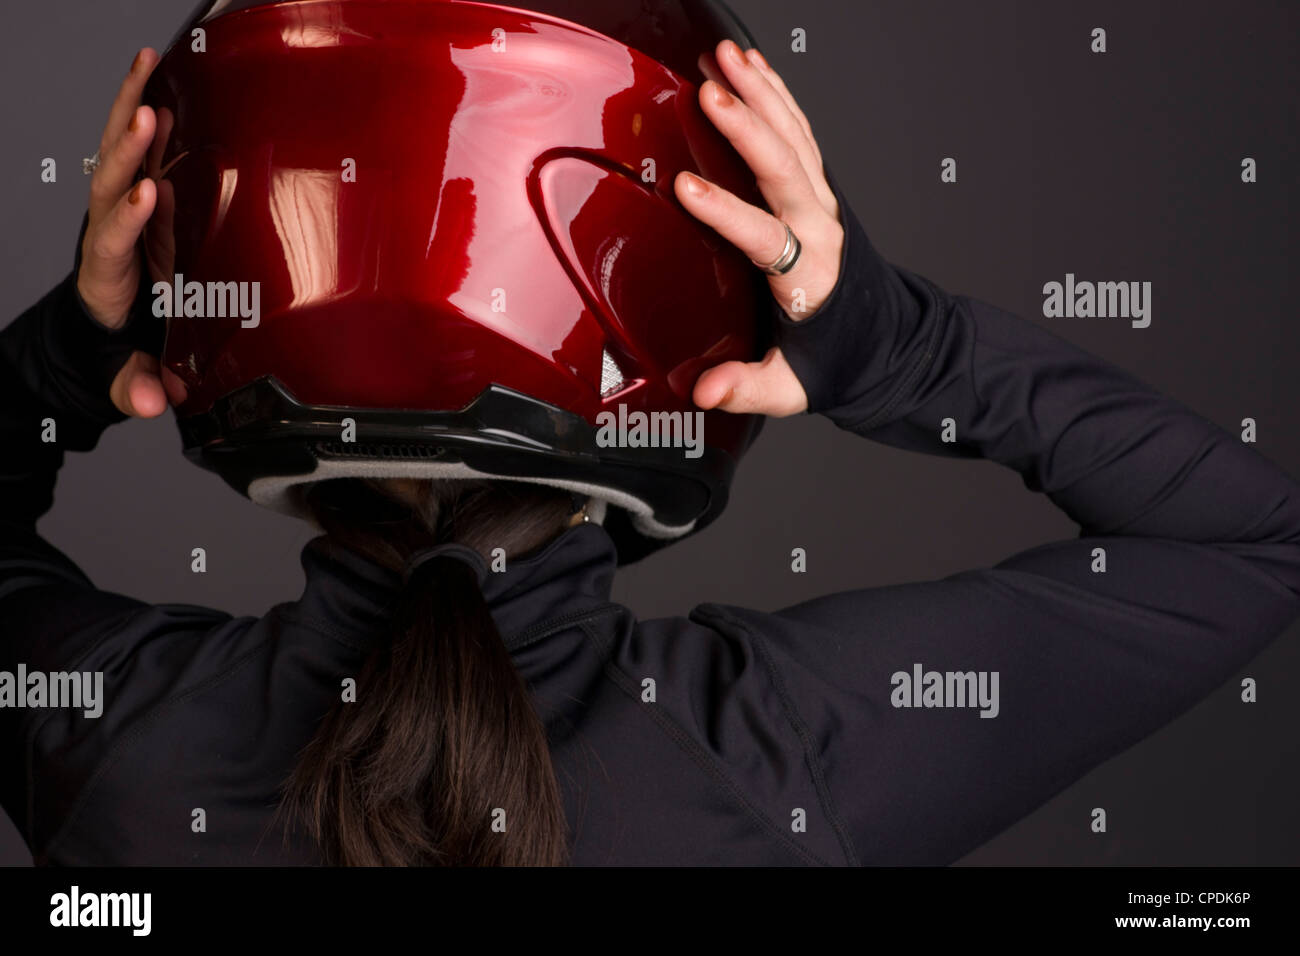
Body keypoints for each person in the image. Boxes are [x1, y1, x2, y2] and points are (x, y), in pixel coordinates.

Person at [3, 36, 1298, 867]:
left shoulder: (120, 751)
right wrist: (888, 342)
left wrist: (70, 352)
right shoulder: (781, 758)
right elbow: (1247, 542)